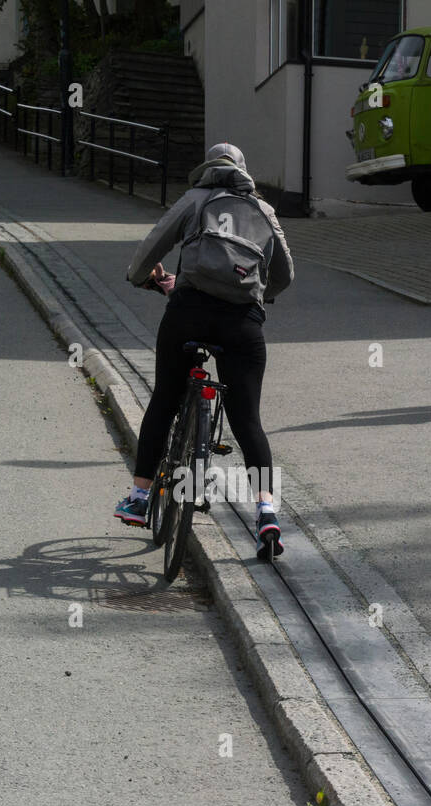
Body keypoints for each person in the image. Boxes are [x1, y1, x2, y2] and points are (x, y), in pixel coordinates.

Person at [117, 143, 294, 559]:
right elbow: (285, 274)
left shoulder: (195, 199)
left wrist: (138, 276)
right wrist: (255, 296)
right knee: (248, 420)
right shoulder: (264, 212)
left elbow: (152, 245)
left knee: (165, 397)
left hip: (189, 313)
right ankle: (266, 511)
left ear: (208, 168)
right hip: (242, 325)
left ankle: (141, 496)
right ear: (244, 172)